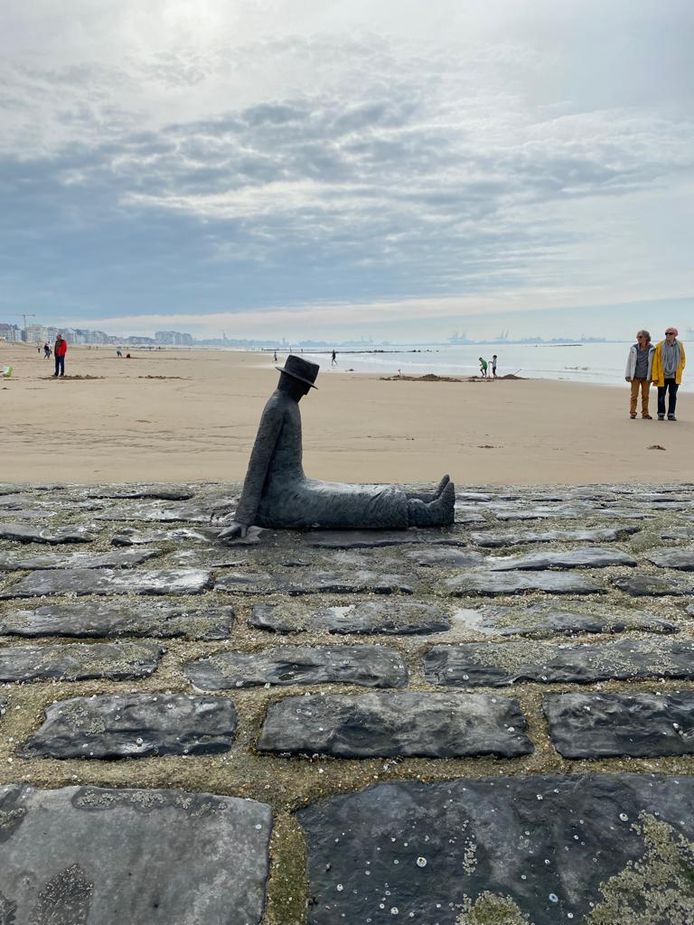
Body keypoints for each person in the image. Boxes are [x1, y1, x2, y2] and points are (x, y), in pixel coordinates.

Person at [218, 355, 455, 540]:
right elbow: (258, 463)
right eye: (305, 385)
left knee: (357, 491)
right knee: (354, 502)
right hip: (281, 501)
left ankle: (425, 499)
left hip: (294, 487)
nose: (307, 391)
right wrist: (243, 519)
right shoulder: (277, 407)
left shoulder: (286, 404)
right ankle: (430, 513)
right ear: (294, 382)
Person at [652, 327, 686, 421]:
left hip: (675, 374)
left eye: (670, 333)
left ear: (675, 335)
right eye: (666, 333)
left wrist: (680, 367)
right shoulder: (659, 345)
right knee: (661, 395)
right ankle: (661, 413)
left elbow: (683, 358)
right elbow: (655, 362)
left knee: (673, 395)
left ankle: (671, 414)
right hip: (662, 374)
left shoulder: (680, 345)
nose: (668, 335)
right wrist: (654, 376)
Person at [624, 330, 654, 419]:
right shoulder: (633, 348)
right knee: (634, 396)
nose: (638, 339)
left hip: (646, 377)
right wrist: (627, 374)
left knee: (645, 396)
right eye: (637, 337)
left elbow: (653, 363)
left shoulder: (652, 349)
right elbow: (629, 362)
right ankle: (632, 413)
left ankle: (645, 413)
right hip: (635, 376)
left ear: (646, 338)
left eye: (640, 337)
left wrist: (653, 376)